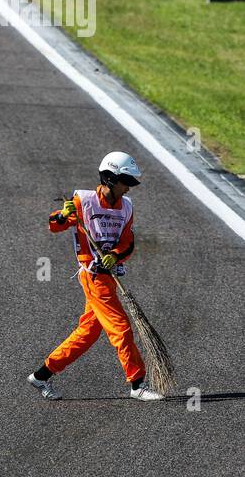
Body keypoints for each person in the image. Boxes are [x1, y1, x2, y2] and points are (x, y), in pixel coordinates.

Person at [27, 151, 164, 401]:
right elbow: (55, 225)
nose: (129, 189)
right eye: (126, 183)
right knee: (121, 329)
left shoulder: (127, 207)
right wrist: (64, 215)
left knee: (87, 334)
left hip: (110, 276)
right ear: (111, 179)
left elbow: (128, 243)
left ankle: (41, 376)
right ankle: (137, 384)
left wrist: (115, 254)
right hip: (93, 276)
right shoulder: (82, 201)